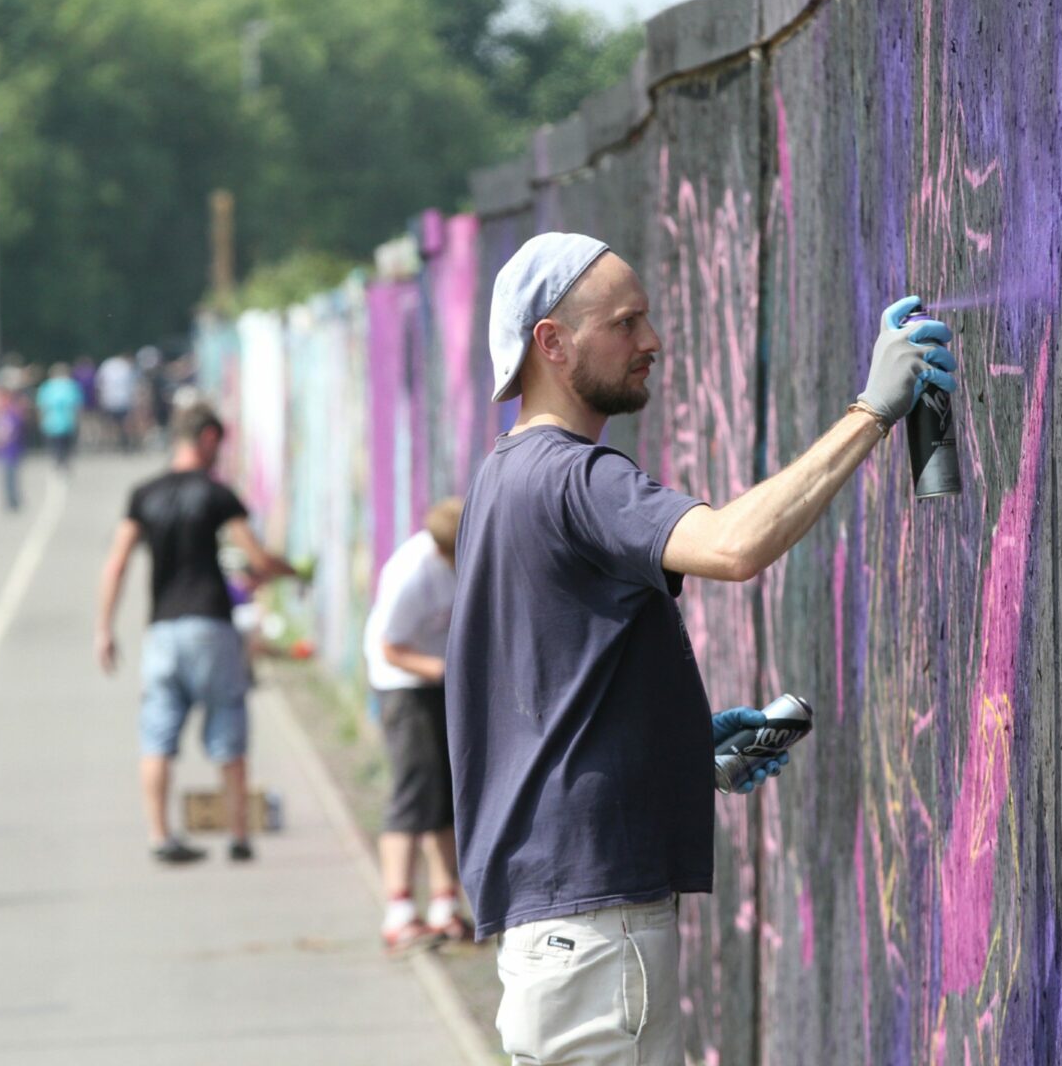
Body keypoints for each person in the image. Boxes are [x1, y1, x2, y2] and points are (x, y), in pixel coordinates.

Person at [444, 233, 958, 1064]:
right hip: (594, 935)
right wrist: (873, 411)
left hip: (561, 929)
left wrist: (677, 747)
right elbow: (733, 546)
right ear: (552, 342)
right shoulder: (577, 478)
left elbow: (540, 697)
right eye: (626, 322)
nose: (650, 342)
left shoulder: (500, 482)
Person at [95, 403, 302, 864]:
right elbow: (257, 559)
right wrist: (288, 573)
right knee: (228, 724)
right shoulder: (216, 495)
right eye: (219, 445)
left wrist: (104, 629)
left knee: (157, 736)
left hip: (162, 632)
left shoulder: (142, 495)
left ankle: (159, 836)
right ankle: (238, 835)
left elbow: (117, 563)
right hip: (210, 625)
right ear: (208, 438)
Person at [363, 497, 470, 952]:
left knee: (444, 793)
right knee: (412, 791)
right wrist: (445, 671)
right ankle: (399, 910)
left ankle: (445, 904)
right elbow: (391, 649)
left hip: (436, 680)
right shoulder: (415, 574)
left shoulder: (453, 560)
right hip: (403, 685)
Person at [36, 363, 85, 474]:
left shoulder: (47, 386)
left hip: (51, 421)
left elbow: (42, 406)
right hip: (68, 420)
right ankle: (64, 462)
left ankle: (57, 461)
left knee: (54, 444)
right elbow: (77, 405)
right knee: (67, 444)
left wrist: (40, 419)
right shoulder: (71, 386)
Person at [0, 386, 26, 514]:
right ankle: (11, 501)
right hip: (4, 450)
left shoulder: (10, 412)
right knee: (6, 478)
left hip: (10, 450)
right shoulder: (2, 413)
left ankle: (13, 502)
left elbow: (9, 431)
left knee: (10, 477)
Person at [96, 354, 137, 452]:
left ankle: (111, 444)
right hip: (123, 399)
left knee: (110, 424)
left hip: (110, 399)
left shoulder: (106, 365)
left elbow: (99, 383)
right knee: (124, 423)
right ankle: (124, 443)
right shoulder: (126, 367)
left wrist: (101, 397)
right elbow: (132, 384)